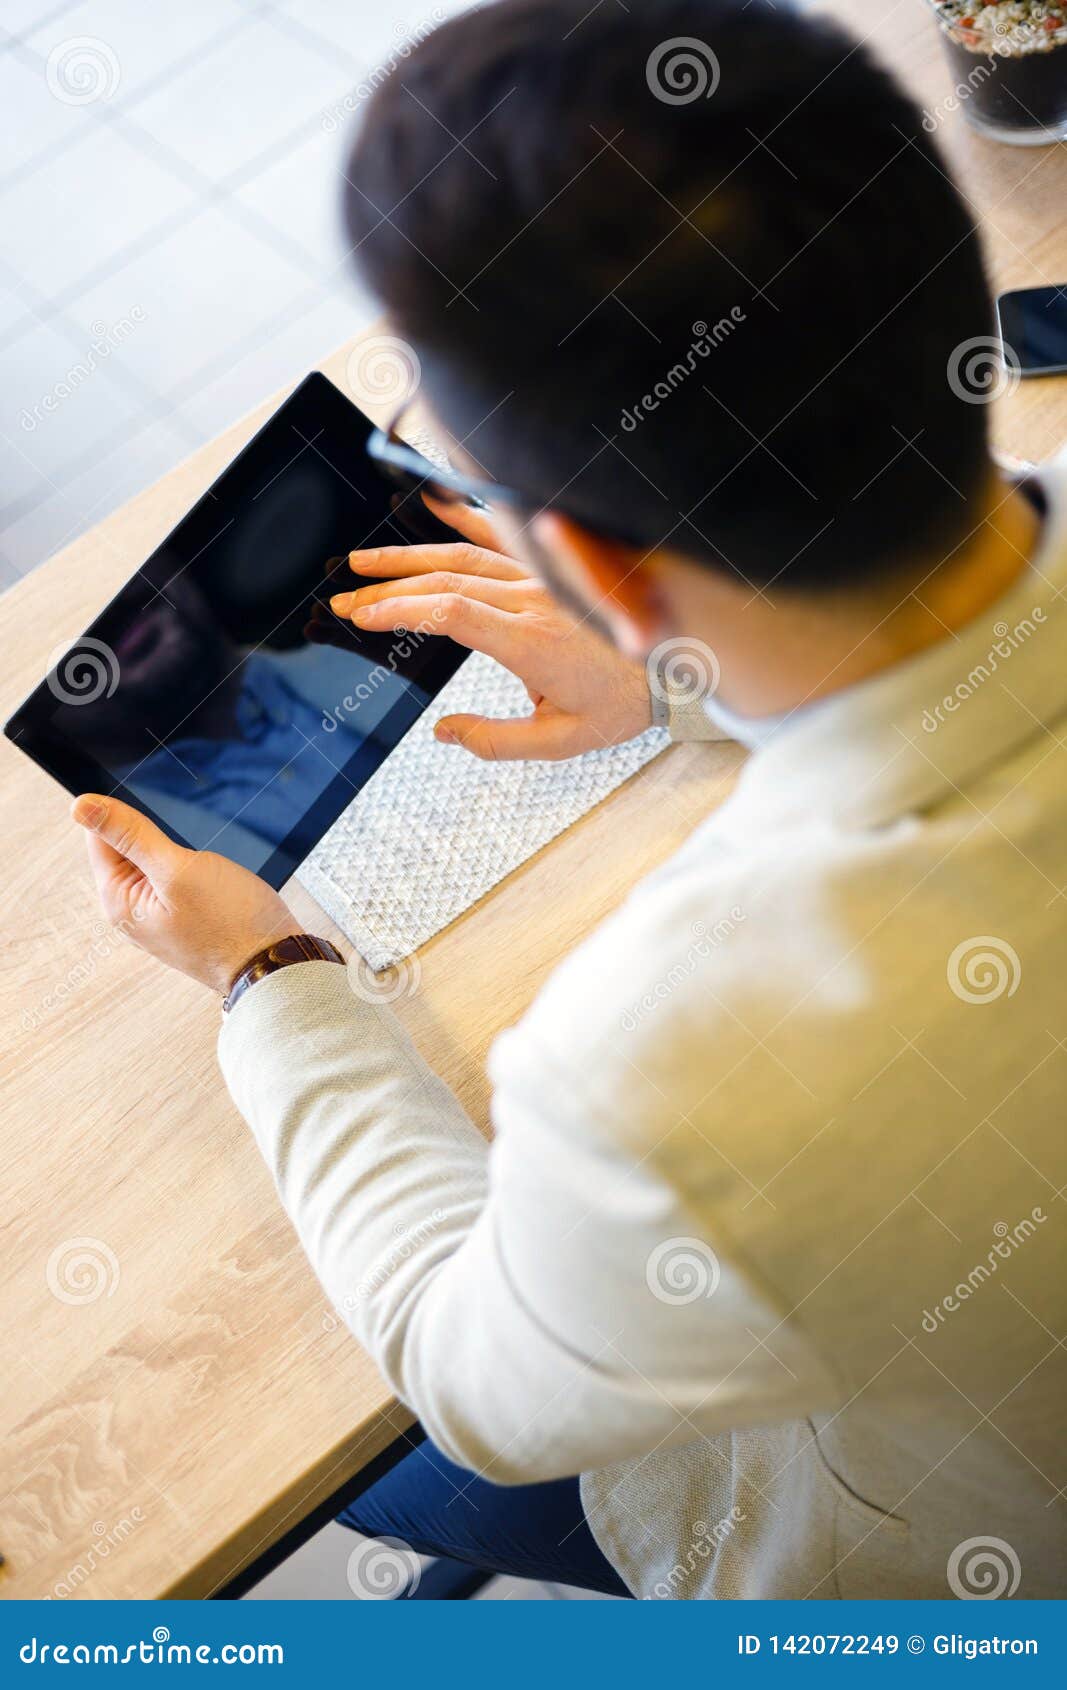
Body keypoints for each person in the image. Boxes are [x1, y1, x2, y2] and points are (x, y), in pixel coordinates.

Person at [72, 0, 1066, 1600]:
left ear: (592, 565)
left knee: (366, 1452)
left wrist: (268, 977)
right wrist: (687, 674)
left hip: (947, 1569)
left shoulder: (675, 1065)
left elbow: (476, 1380)